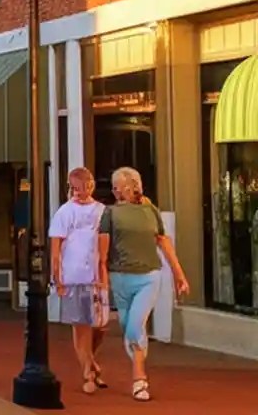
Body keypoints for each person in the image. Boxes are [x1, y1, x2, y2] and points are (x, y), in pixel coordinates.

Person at [98, 166, 189, 402]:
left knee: (135, 324)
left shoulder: (151, 210)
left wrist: (179, 274)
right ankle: (139, 364)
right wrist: (102, 279)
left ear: (130, 185)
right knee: (129, 326)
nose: (114, 189)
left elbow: (163, 242)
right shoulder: (110, 213)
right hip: (120, 277)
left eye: (117, 184)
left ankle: (139, 378)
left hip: (149, 276)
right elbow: (103, 252)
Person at [49, 167, 108, 394]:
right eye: (73, 188)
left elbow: (105, 248)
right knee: (80, 325)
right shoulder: (64, 212)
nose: (77, 192)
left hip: (95, 276)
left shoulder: (101, 211)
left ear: (90, 186)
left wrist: (104, 274)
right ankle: (88, 372)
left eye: (81, 188)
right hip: (72, 275)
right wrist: (58, 277)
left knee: (100, 324)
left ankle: (91, 361)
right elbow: (56, 248)